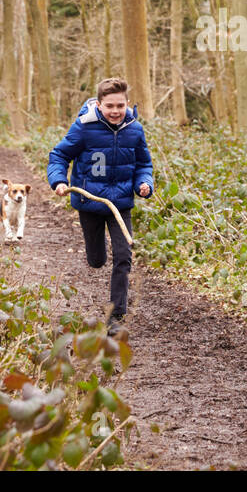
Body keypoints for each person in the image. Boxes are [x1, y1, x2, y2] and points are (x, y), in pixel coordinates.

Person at [47, 77, 153, 335]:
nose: (115, 111)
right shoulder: (84, 127)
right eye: (110, 106)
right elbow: (59, 155)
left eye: (120, 105)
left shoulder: (135, 130)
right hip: (89, 202)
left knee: (123, 255)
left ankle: (116, 316)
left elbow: (143, 164)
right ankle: (96, 256)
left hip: (121, 204)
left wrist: (144, 183)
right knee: (96, 260)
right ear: (99, 104)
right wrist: (59, 181)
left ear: (127, 104)